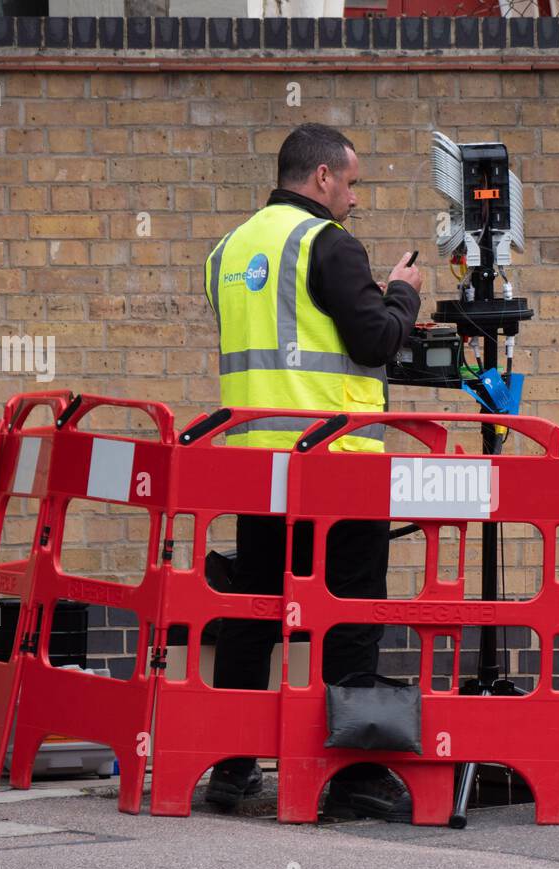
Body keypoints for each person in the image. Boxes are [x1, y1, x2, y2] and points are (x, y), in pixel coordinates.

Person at [201, 123, 423, 821]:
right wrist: (404, 293)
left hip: (258, 469)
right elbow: (375, 338)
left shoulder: (228, 250)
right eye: (352, 183)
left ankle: (229, 769)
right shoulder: (328, 243)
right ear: (323, 177)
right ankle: (354, 776)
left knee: (252, 612)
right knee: (349, 617)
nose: (355, 199)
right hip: (338, 468)